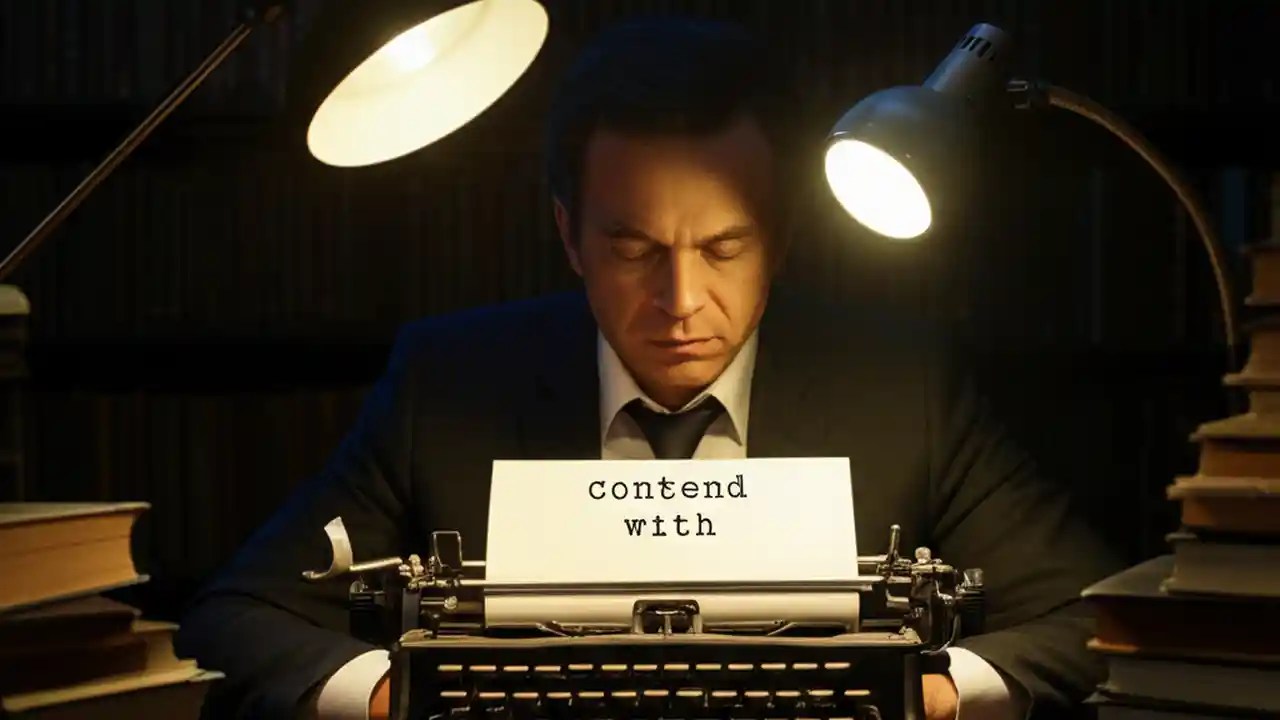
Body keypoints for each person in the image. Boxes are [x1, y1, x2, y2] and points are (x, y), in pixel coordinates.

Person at [175, 16, 1121, 720]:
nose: (679, 301)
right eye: (632, 249)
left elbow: (1094, 616)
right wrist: (394, 695)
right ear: (568, 234)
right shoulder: (448, 380)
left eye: (723, 246)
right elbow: (241, 612)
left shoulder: (902, 383)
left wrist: (940, 693)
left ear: (782, 237)